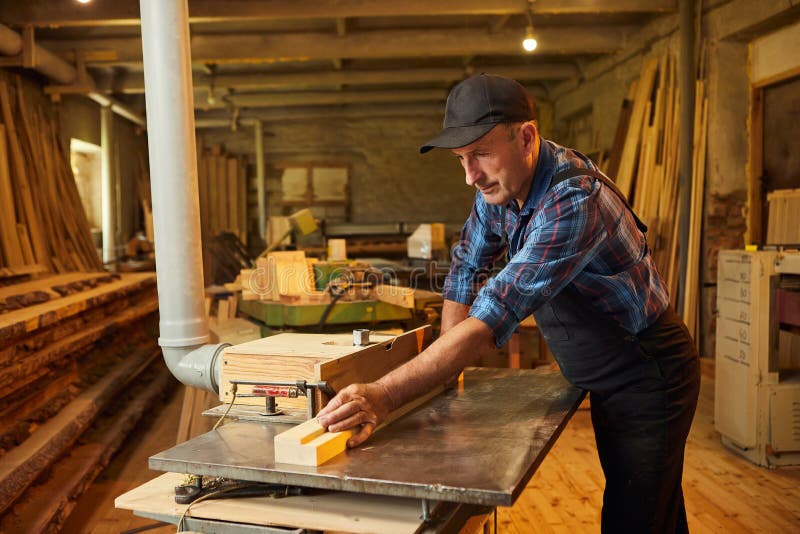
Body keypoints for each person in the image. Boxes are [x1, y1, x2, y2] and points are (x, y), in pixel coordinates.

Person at [317, 73, 700, 533]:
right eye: (461, 159)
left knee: (634, 517)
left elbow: (493, 314)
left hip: (648, 373)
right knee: (655, 509)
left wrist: (383, 394)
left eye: (480, 154)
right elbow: (465, 270)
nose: (469, 176)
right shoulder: (499, 189)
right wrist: (443, 378)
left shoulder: (573, 200)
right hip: (605, 374)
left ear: (527, 137)